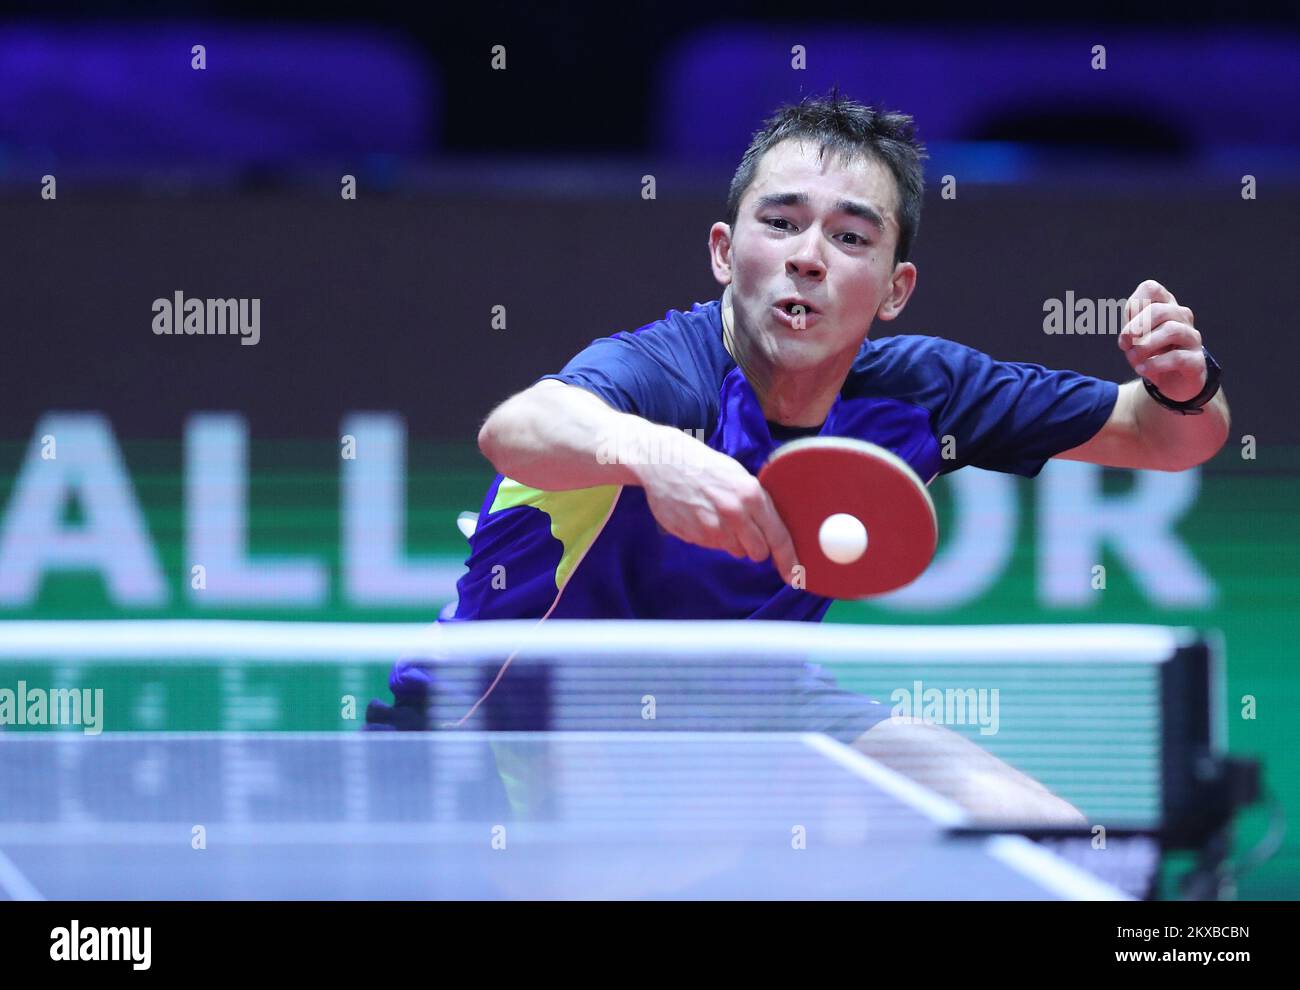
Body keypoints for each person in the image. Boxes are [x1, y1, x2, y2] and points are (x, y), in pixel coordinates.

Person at [367, 91, 1230, 826]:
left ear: (895, 289)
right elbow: (518, 425)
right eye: (780, 223)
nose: (808, 256)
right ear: (722, 251)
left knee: (1046, 839)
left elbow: (1165, 436)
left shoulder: (921, 393)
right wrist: (648, 451)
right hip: (499, 734)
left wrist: (1184, 382)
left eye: (852, 238)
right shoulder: (667, 374)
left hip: (746, 711)